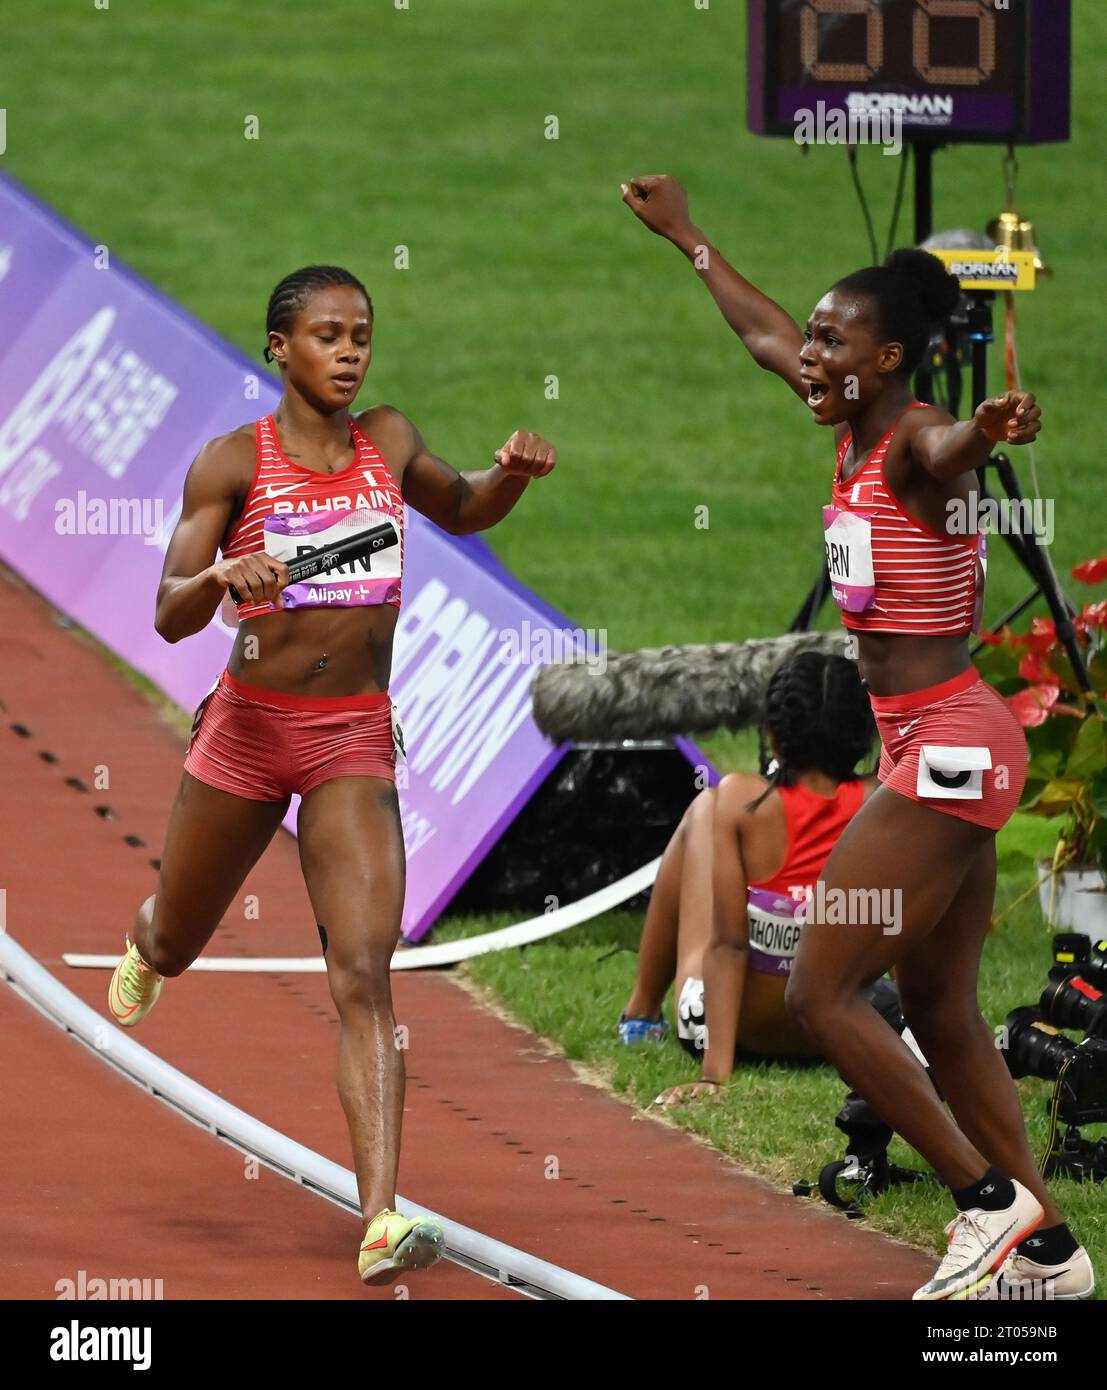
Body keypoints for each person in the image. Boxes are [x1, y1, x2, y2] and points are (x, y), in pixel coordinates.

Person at [622, 177, 1093, 1301]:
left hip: (949, 748)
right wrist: (690, 235)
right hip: (943, 748)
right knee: (939, 1005)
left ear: (889, 364)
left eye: (834, 344)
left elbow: (953, 449)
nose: (811, 356)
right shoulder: (849, 412)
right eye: (818, 338)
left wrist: (990, 426)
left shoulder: (915, 442)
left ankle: (982, 1206)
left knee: (830, 992)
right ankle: (1049, 1250)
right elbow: (761, 331)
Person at [106, 265, 557, 1285]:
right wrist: (223, 573)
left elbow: (468, 507)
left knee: (362, 973)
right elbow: (169, 608)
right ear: (279, 347)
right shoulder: (231, 463)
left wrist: (515, 475)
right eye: (327, 335)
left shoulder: (388, 442)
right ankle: (146, 937)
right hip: (249, 733)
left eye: (361, 334)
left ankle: (382, 1216)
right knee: (178, 935)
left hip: (353, 737)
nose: (350, 351)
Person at [617, 652, 877, 1102]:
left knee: (704, 809)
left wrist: (714, 1076)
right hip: (843, 1038)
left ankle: (641, 1013)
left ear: (773, 734)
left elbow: (729, 945)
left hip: (733, 1034)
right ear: (861, 734)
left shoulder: (740, 798)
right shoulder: (882, 802)